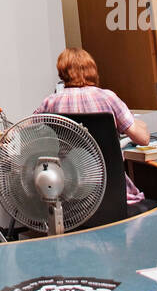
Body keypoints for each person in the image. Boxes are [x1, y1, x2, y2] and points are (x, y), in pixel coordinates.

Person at [34, 47, 150, 208]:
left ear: (62, 73)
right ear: (92, 70)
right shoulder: (107, 97)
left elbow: (28, 130)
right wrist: (137, 122)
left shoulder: (51, 102)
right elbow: (143, 139)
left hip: (71, 196)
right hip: (114, 193)